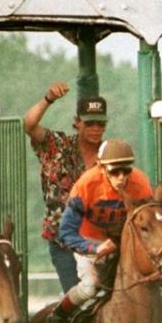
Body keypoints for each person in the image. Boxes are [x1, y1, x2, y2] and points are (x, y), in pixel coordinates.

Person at [43, 138, 152, 323]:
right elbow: (66, 233)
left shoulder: (140, 183)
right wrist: (94, 249)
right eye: (115, 172)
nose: (121, 178)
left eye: (126, 170)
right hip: (89, 240)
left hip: (123, 242)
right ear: (102, 168)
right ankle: (59, 315)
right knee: (91, 286)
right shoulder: (86, 185)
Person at [24, 84, 107, 293]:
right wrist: (48, 98)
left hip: (99, 241)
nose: (95, 128)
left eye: (100, 123)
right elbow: (29, 125)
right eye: (89, 123)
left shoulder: (109, 157)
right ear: (77, 123)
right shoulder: (58, 145)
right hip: (64, 243)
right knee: (78, 295)